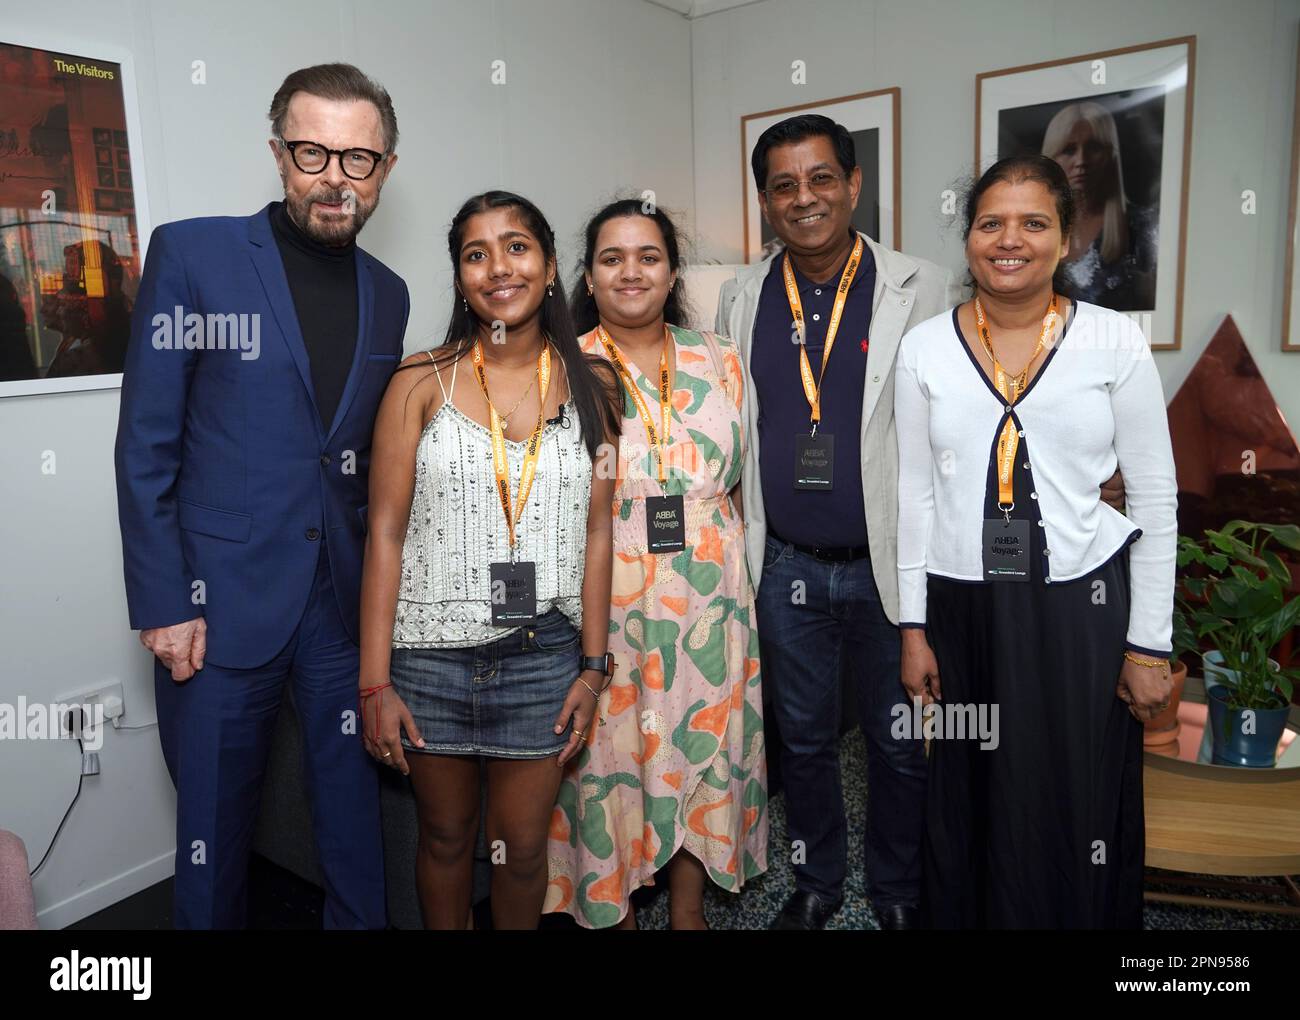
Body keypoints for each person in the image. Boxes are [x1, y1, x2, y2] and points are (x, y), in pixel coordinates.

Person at [114, 63, 407, 928]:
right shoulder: (193, 254)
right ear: (279, 154)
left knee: (351, 816)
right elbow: (146, 444)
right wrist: (164, 602)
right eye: (313, 150)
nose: (334, 177)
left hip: (337, 608)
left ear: (385, 171)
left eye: (359, 159)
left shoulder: (388, 295)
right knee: (213, 828)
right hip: (213, 602)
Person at [895, 154, 1177, 928]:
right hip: (961, 615)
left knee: (1069, 797)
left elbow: (1155, 497)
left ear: (1066, 239)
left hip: (1079, 612)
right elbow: (913, 496)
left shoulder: (1114, 342)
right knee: (969, 794)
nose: (1008, 239)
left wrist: (1149, 646)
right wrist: (913, 628)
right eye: (991, 223)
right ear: (969, 239)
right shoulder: (923, 350)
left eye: (1033, 222)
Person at [716, 113, 961, 930]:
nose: (804, 198)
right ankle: (815, 881)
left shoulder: (924, 286)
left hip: (889, 562)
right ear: (764, 202)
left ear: (854, 185)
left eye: (821, 178)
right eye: (783, 185)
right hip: (785, 563)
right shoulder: (741, 294)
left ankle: (896, 894)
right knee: (805, 741)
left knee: (898, 744)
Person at [359, 191, 621, 930]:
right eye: (475, 253)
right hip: (428, 661)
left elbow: (597, 535)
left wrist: (595, 669)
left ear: (547, 267)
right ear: (460, 278)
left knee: (523, 849)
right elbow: (383, 532)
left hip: (543, 659)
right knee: (445, 839)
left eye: (515, 247)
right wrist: (373, 680)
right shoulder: (418, 381)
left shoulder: (595, 387)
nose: (497, 266)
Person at [545, 199, 767, 929]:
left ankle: (687, 907)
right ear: (589, 273)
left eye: (648, 256)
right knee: (611, 756)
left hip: (715, 597)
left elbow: (742, 482)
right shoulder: (560, 366)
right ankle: (612, 901)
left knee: (703, 749)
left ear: (672, 271)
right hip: (613, 595)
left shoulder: (721, 358)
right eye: (612, 258)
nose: (631, 271)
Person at [1040, 101, 1157, 311]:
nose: (1081, 160)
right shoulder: (1029, 231)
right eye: (1068, 150)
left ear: (1111, 155)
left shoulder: (1141, 226)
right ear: (1052, 158)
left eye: (1094, 147)